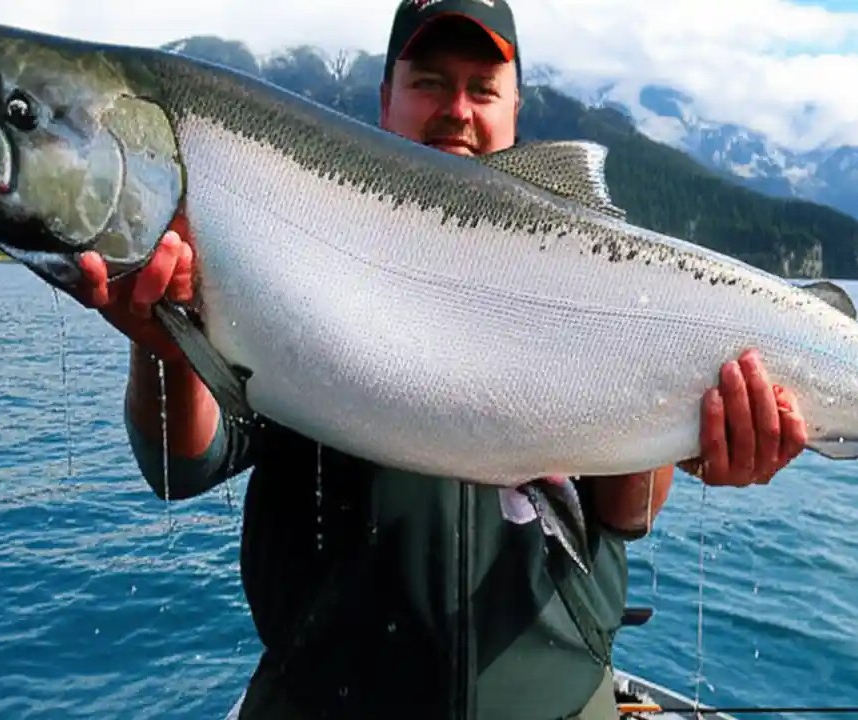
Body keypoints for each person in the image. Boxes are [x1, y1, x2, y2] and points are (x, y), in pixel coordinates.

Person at [73, 1, 808, 718]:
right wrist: (163, 346)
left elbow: (627, 511)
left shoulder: (600, 278)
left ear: (516, 110)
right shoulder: (285, 241)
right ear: (384, 99)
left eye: (482, 88)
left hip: (559, 701)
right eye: (430, 81)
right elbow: (184, 464)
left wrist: (695, 433)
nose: (457, 107)